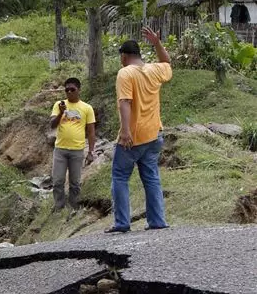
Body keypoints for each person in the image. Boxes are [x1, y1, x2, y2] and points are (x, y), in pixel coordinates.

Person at [105, 27, 172, 233]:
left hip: (134, 136)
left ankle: (122, 222)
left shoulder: (125, 73)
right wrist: (157, 44)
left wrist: (125, 131)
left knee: (119, 176)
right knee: (151, 177)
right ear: (139, 55)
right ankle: (157, 220)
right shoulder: (154, 69)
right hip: (154, 134)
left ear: (124, 57)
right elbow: (167, 63)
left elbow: (125, 101)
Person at [49, 77, 96, 214]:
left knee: (75, 182)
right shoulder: (59, 104)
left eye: (72, 89)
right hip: (60, 149)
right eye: (67, 90)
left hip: (77, 150)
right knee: (58, 180)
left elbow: (91, 131)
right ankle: (59, 207)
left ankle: (73, 207)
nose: (69, 92)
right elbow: (52, 125)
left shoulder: (87, 108)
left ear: (78, 90)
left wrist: (91, 151)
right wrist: (61, 112)